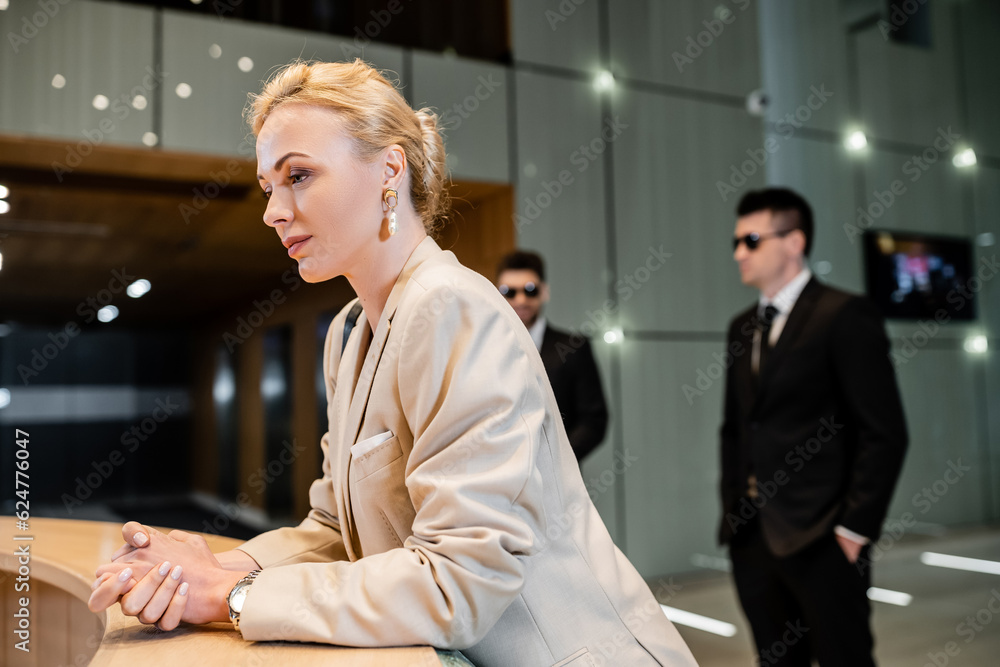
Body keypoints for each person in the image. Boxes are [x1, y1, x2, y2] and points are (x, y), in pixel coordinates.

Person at [87, 59, 697, 666]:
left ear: (389, 169)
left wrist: (232, 596)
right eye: (270, 185)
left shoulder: (451, 306)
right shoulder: (351, 332)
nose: (273, 210)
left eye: (298, 175)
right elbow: (333, 529)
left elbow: (460, 582)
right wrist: (201, 568)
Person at [718, 187, 908, 666]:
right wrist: (734, 514)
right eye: (737, 241)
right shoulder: (741, 327)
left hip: (824, 538)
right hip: (754, 537)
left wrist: (852, 530)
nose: (740, 252)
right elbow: (737, 429)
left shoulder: (844, 315)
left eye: (752, 240)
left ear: (794, 241)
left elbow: (884, 432)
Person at [495, 250, 609, 462]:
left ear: (544, 292)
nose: (520, 299)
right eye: (509, 291)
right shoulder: (486, 348)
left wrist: (554, 462)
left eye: (530, 290)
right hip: (497, 480)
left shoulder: (574, 347)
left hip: (558, 481)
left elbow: (593, 419)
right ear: (497, 295)